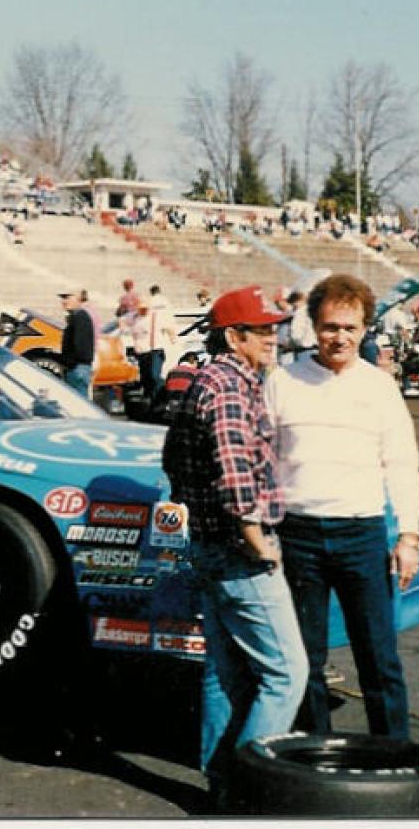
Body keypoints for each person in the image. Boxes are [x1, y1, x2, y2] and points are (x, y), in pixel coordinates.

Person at [162, 285, 306, 811]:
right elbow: (234, 475)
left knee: (226, 675)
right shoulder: (228, 385)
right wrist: (258, 541)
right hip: (237, 551)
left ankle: (221, 787)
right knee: (287, 674)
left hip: (208, 546)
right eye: (263, 330)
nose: (273, 338)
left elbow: (173, 458)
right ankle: (249, 790)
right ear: (233, 335)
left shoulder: (213, 378)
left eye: (274, 328)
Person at [265, 274, 419, 739]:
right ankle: (315, 759)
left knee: (380, 659)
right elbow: (264, 461)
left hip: (362, 535)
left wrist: (409, 537)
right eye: (331, 326)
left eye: (351, 328)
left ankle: (395, 759)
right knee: (304, 661)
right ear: (314, 326)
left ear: (365, 329)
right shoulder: (282, 381)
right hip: (298, 536)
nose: (341, 337)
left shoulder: (379, 387)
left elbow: (403, 464)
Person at [58, 287, 94, 397]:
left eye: (67, 297)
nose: (64, 301)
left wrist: (71, 364)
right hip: (77, 368)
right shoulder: (76, 316)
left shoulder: (81, 317)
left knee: (80, 407)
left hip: (78, 369)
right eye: (62, 298)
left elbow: (81, 347)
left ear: (78, 298)